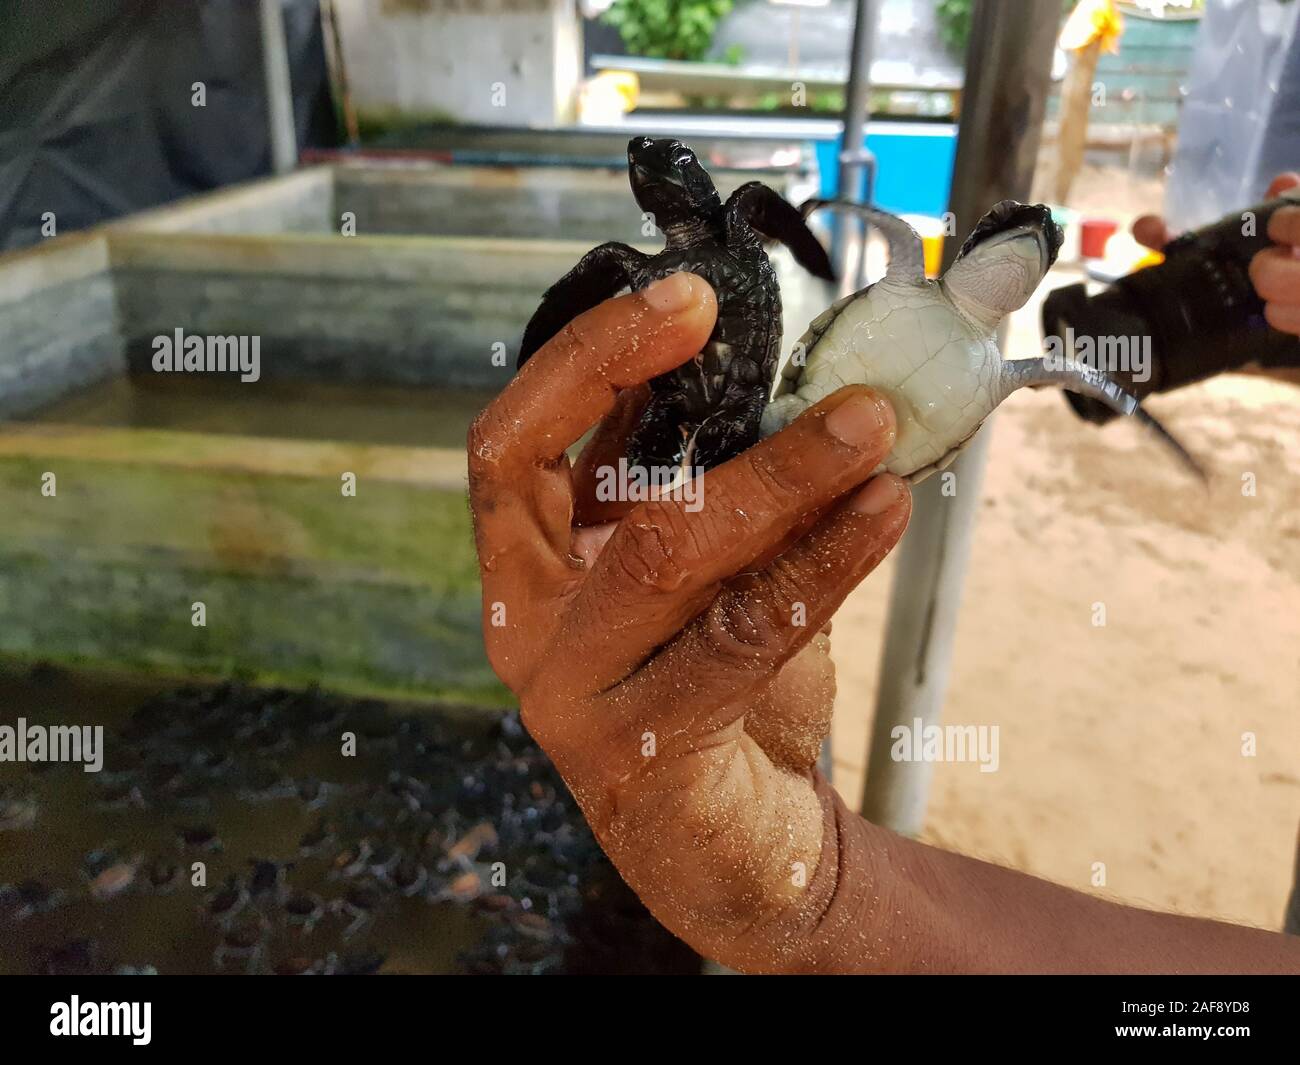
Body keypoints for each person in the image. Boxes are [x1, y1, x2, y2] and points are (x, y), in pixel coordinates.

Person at [466, 263, 1300, 973]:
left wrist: (823, 895)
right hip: (793, 437)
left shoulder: (1003, 362)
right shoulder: (920, 280)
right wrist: (817, 893)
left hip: (844, 464)